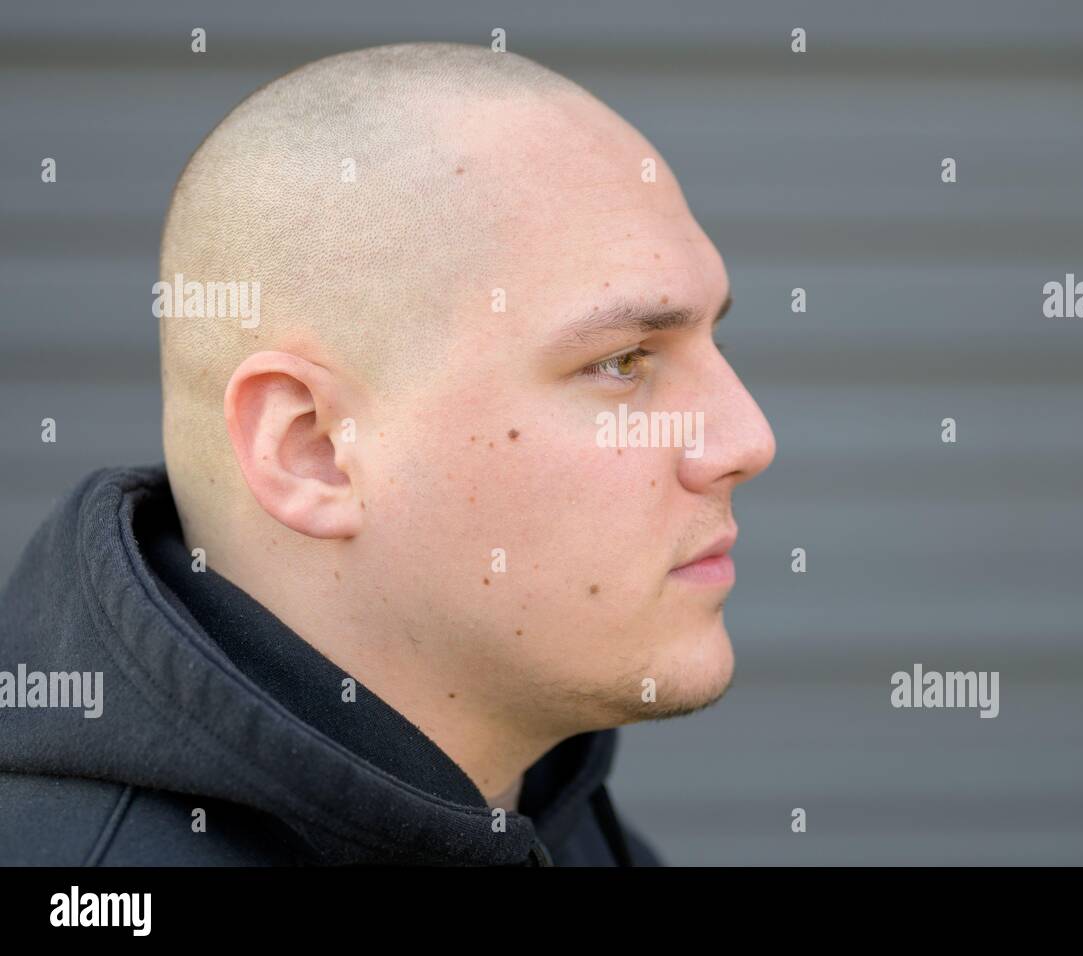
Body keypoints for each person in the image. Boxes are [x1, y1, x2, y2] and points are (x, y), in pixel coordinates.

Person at [0, 41, 776, 866]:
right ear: (314, 450)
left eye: (714, 341)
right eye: (621, 363)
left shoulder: (548, 813)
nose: (747, 441)